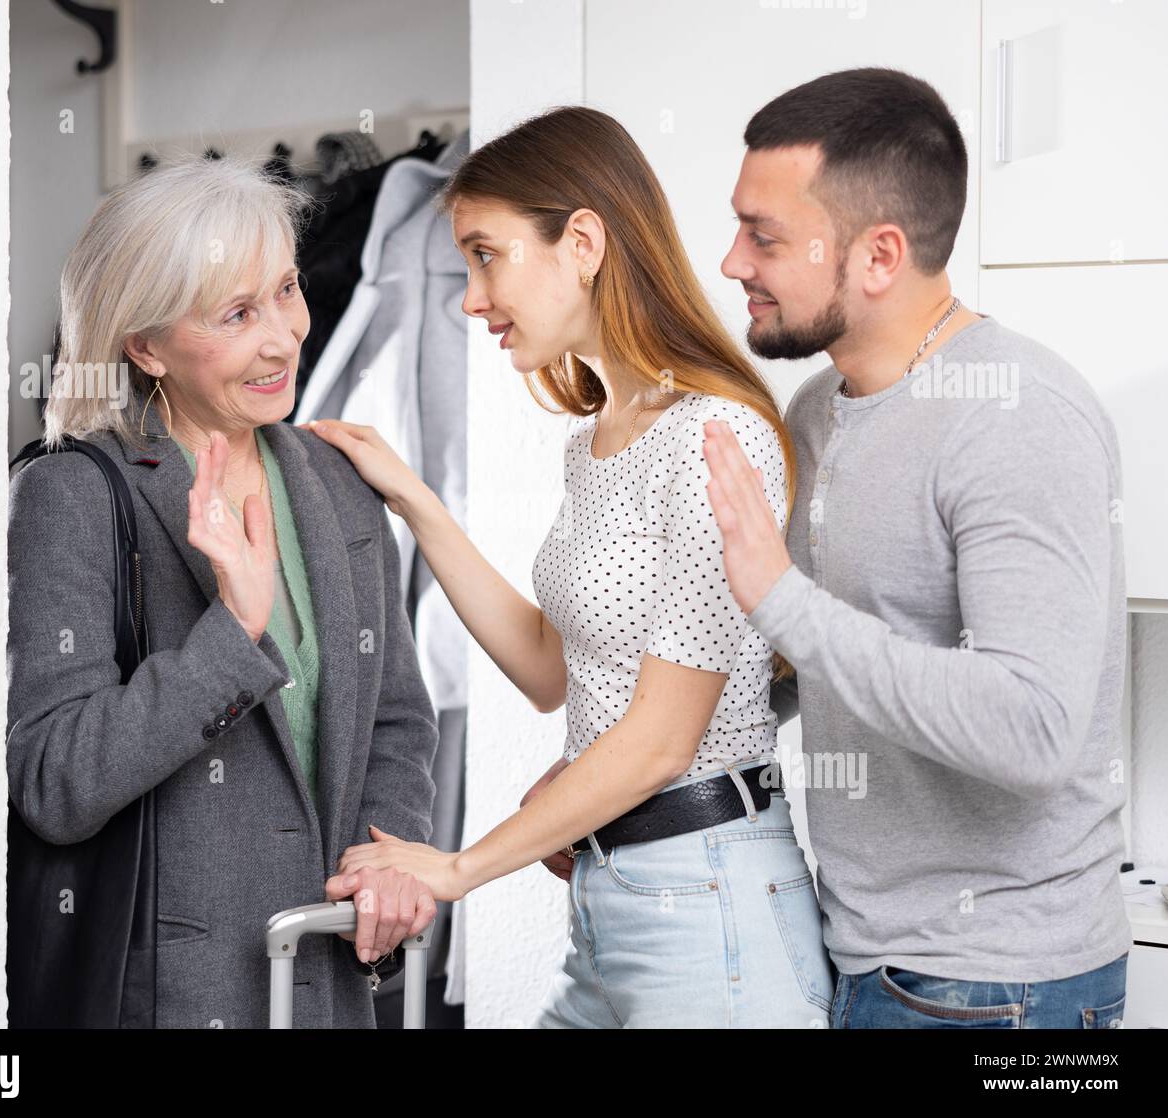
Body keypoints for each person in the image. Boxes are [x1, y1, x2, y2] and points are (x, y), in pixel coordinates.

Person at [308, 106, 833, 1027]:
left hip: (713, 907)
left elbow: (666, 738)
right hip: (611, 900)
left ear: (581, 241)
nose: (470, 298)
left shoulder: (715, 437)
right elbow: (554, 670)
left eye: (486, 255)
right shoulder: (599, 438)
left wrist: (459, 866)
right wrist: (417, 502)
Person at [703, 67, 1131, 1028]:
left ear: (879, 255)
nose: (733, 262)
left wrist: (782, 600)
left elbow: (1033, 729)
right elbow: (815, 664)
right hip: (863, 955)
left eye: (763, 236)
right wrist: (627, 779)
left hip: (1007, 990)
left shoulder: (1019, 417)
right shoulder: (817, 412)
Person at [6, 153, 438, 1028]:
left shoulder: (337, 479)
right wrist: (234, 633)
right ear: (146, 344)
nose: (282, 336)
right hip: (173, 995)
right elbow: (54, 781)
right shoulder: (76, 493)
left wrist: (389, 856)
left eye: (285, 291)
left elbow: (397, 718)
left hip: (327, 980)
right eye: (237, 313)